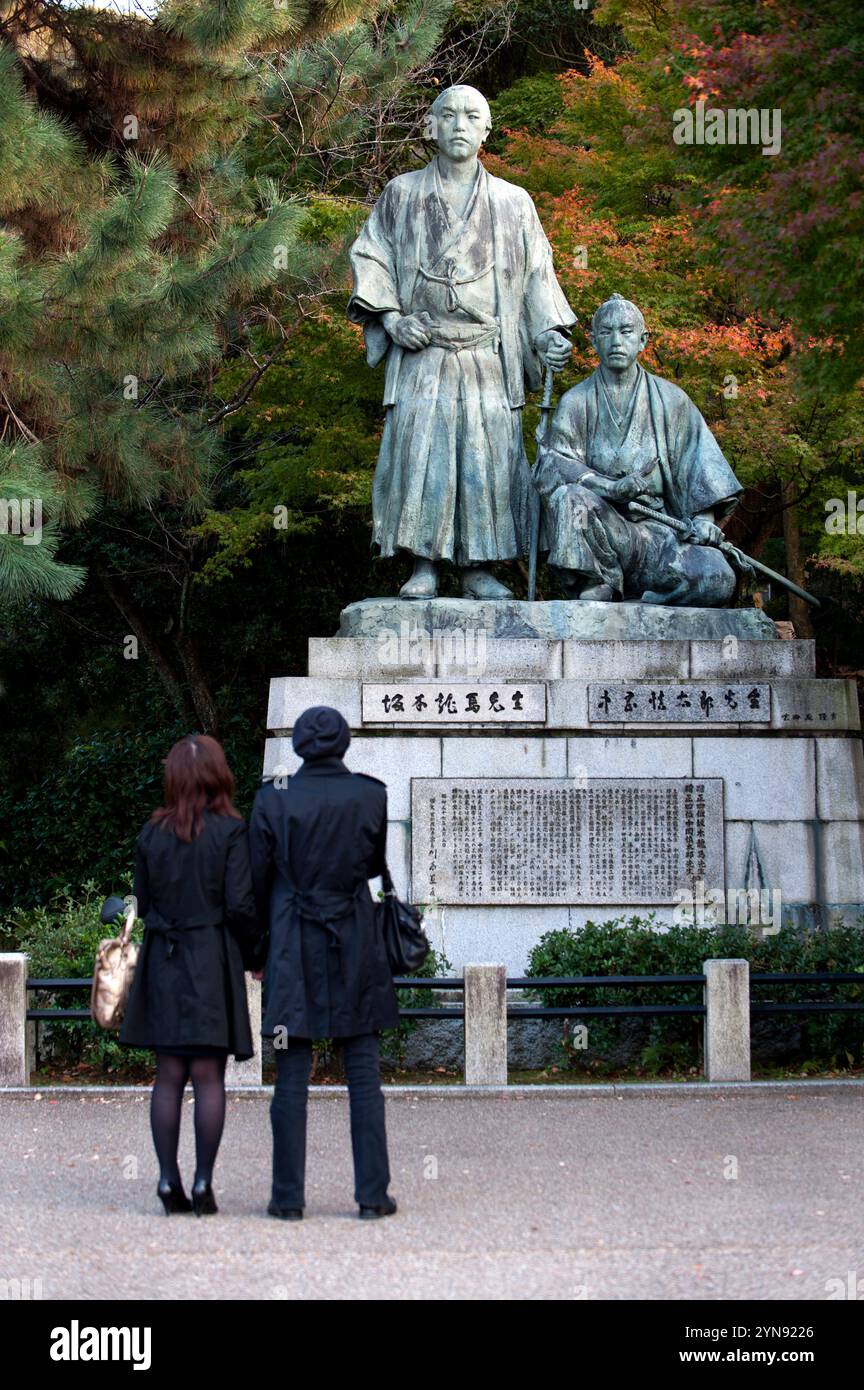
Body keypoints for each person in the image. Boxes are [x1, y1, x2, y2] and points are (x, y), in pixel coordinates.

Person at [347, 83, 575, 599]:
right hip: (424, 349)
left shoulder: (514, 203)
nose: (459, 125)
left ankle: (479, 568)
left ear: (486, 130)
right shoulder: (401, 194)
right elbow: (372, 257)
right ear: (430, 126)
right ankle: (423, 564)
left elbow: (537, 276)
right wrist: (390, 319)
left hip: (489, 353)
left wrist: (547, 336)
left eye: (472, 116)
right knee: (420, 451)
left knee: (488, 456)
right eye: (447, 115)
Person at [249, 705, 400, 1221]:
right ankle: (372, 1196)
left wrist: (256, 953)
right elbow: (377, 868)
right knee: (363, 1073)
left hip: (292, 943)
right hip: (355, 940)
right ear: (344, 743)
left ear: (298, 746)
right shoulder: (370, 793)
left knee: (291, 1072)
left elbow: (254, 883)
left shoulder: (274, 798)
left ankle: (287, 1198)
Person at [119, 734, 263, 1217]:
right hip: (209, 959)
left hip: (163, 957)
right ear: (218, 775)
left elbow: (140, 899)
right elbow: (241, 905)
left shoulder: (150, 833)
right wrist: (256, 953)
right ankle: (202, 1183)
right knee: (207, 1076)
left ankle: (165, 1179)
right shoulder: (230, 831)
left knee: (168, 1076)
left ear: (175, 776)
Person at [533, 293, 746, 606]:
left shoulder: (672, 401)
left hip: (661, 536)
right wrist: (611, 487)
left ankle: (647, 602)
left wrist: (704, 522)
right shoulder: (576, 403)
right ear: (593, 342)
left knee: (718, 577)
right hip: (603, 529)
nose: (616, 341)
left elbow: (701, 468)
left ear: (643, 340)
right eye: (606, 333)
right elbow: (555, 468)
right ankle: (599, 580)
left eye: (626, 332)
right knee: (570, 498)